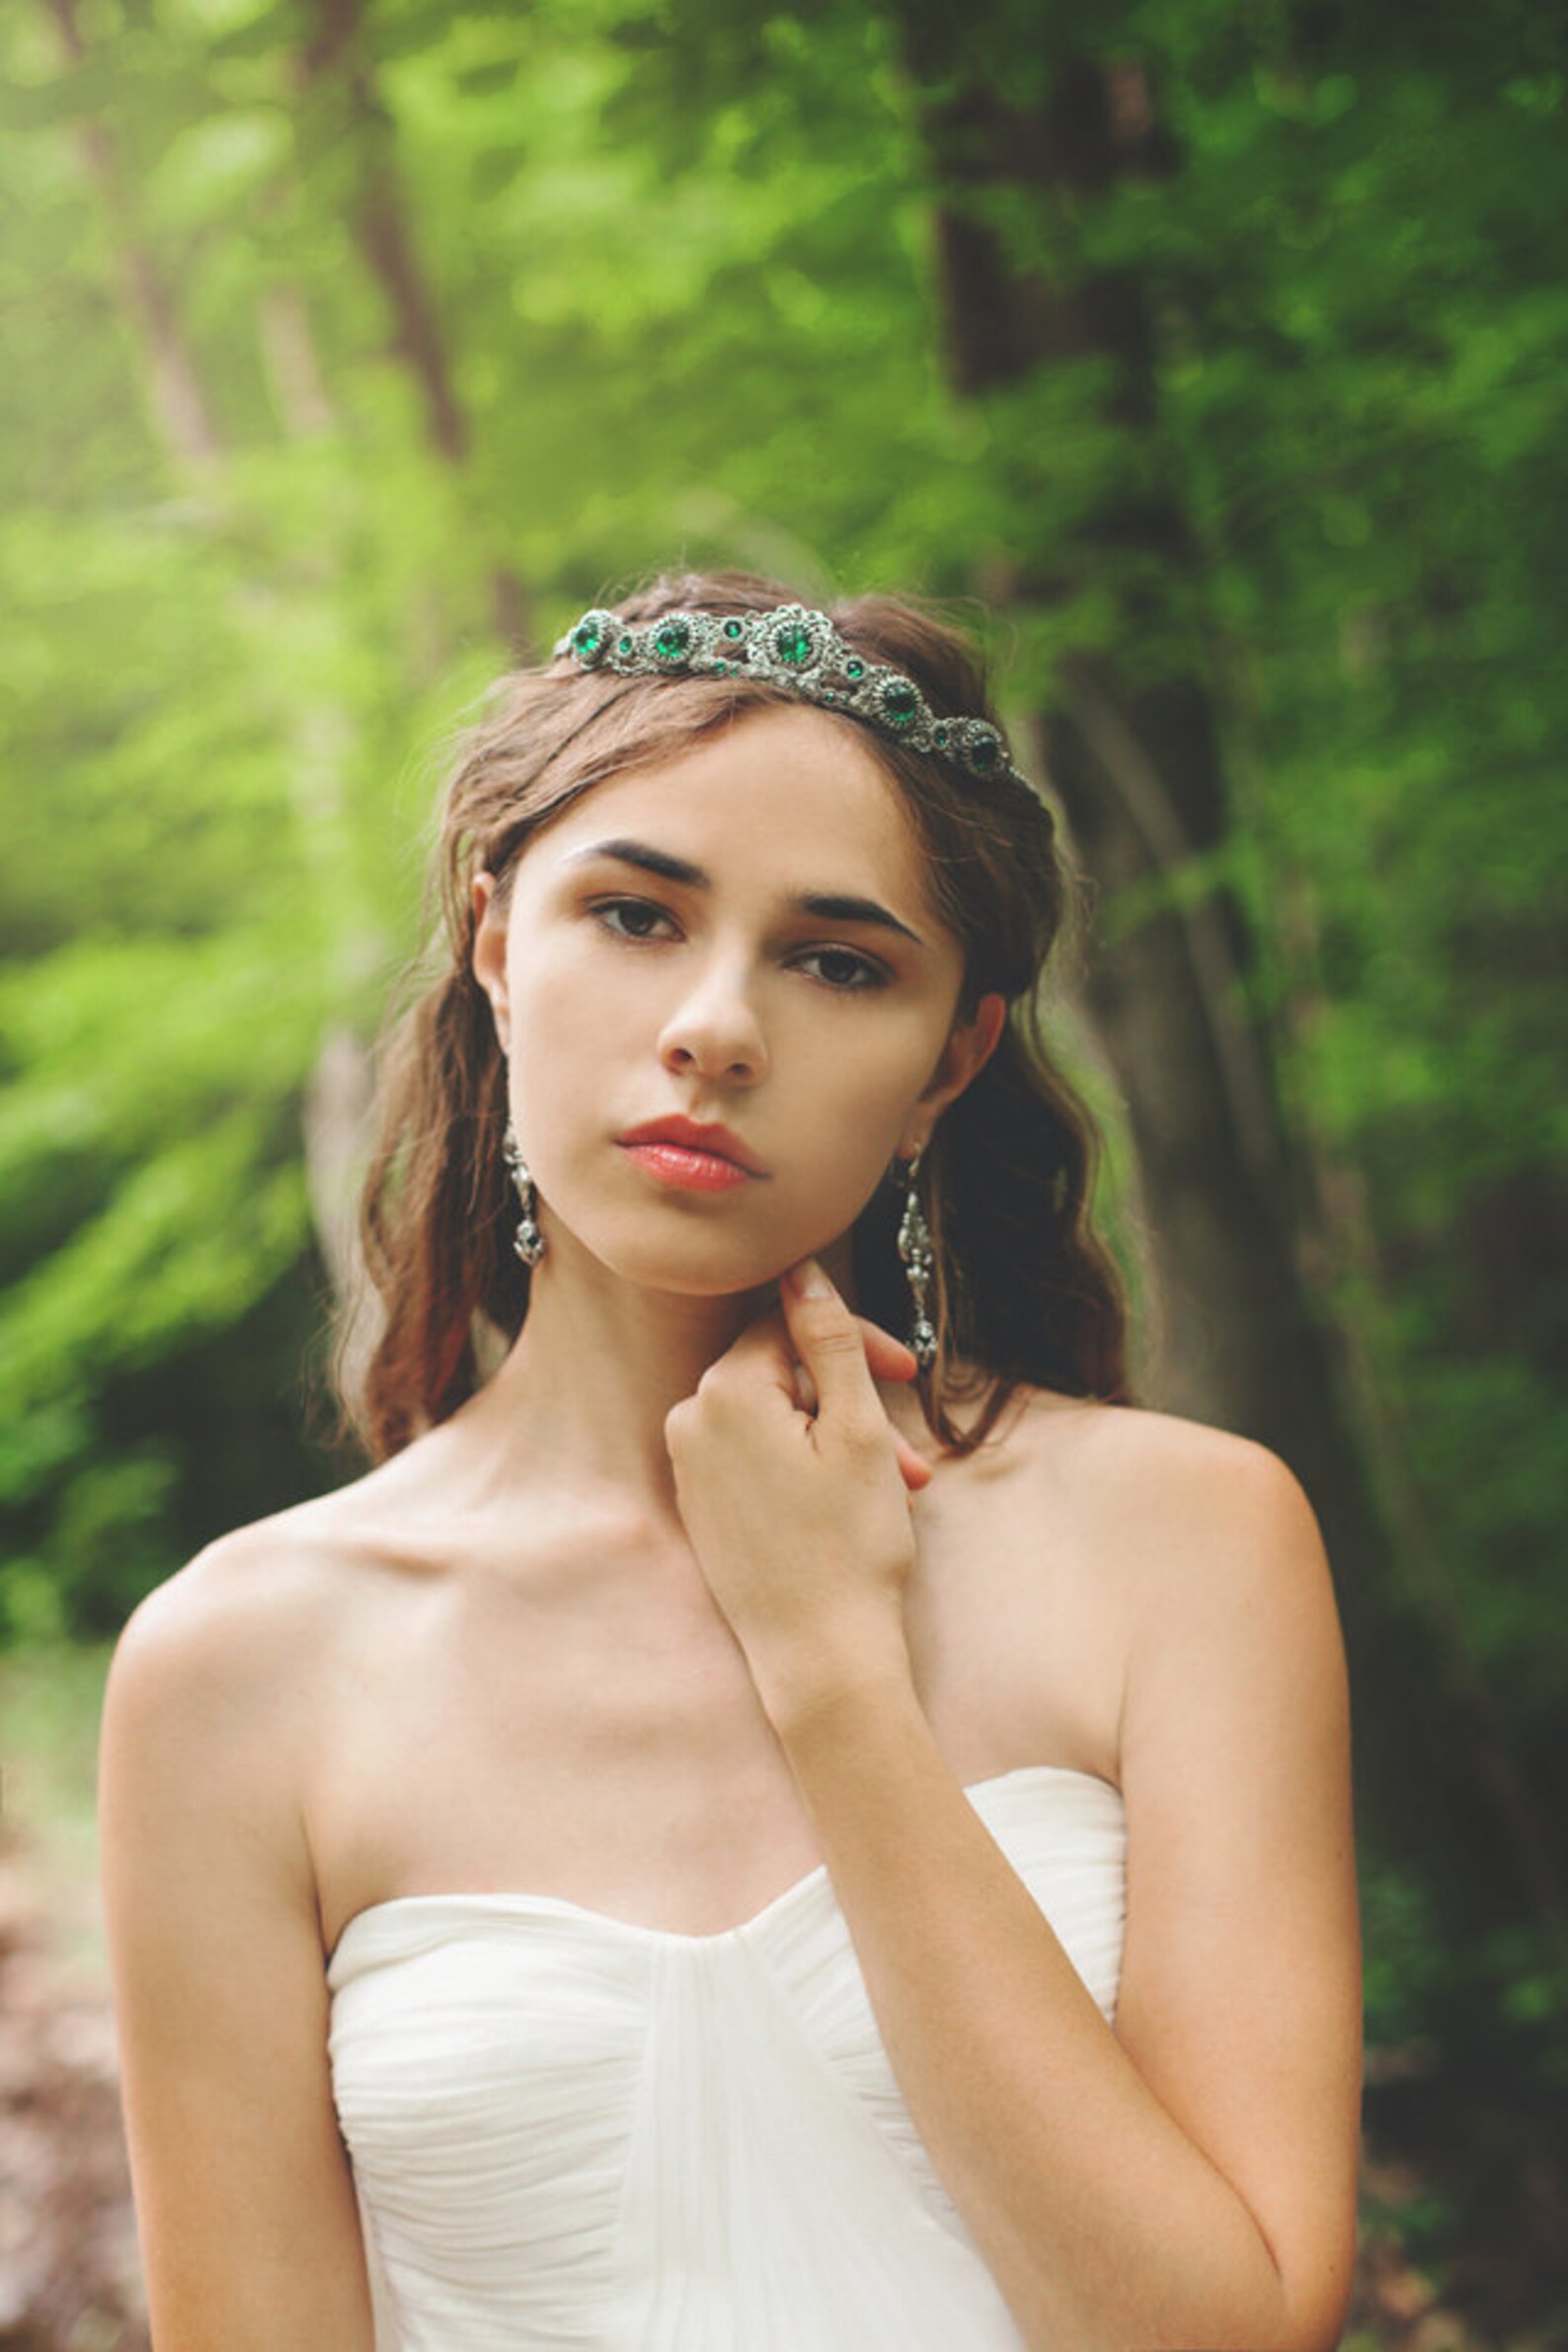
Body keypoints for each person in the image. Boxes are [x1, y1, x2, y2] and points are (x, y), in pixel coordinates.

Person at [98, 569, 1363, 2352]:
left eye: (839, 960)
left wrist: (838, 1676)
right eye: (632, 914)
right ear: (491, 945)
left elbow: (1222, 2333)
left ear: (951, 1057)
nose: (717, 1025)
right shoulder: (240, 1664)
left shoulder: (1184, 1541)